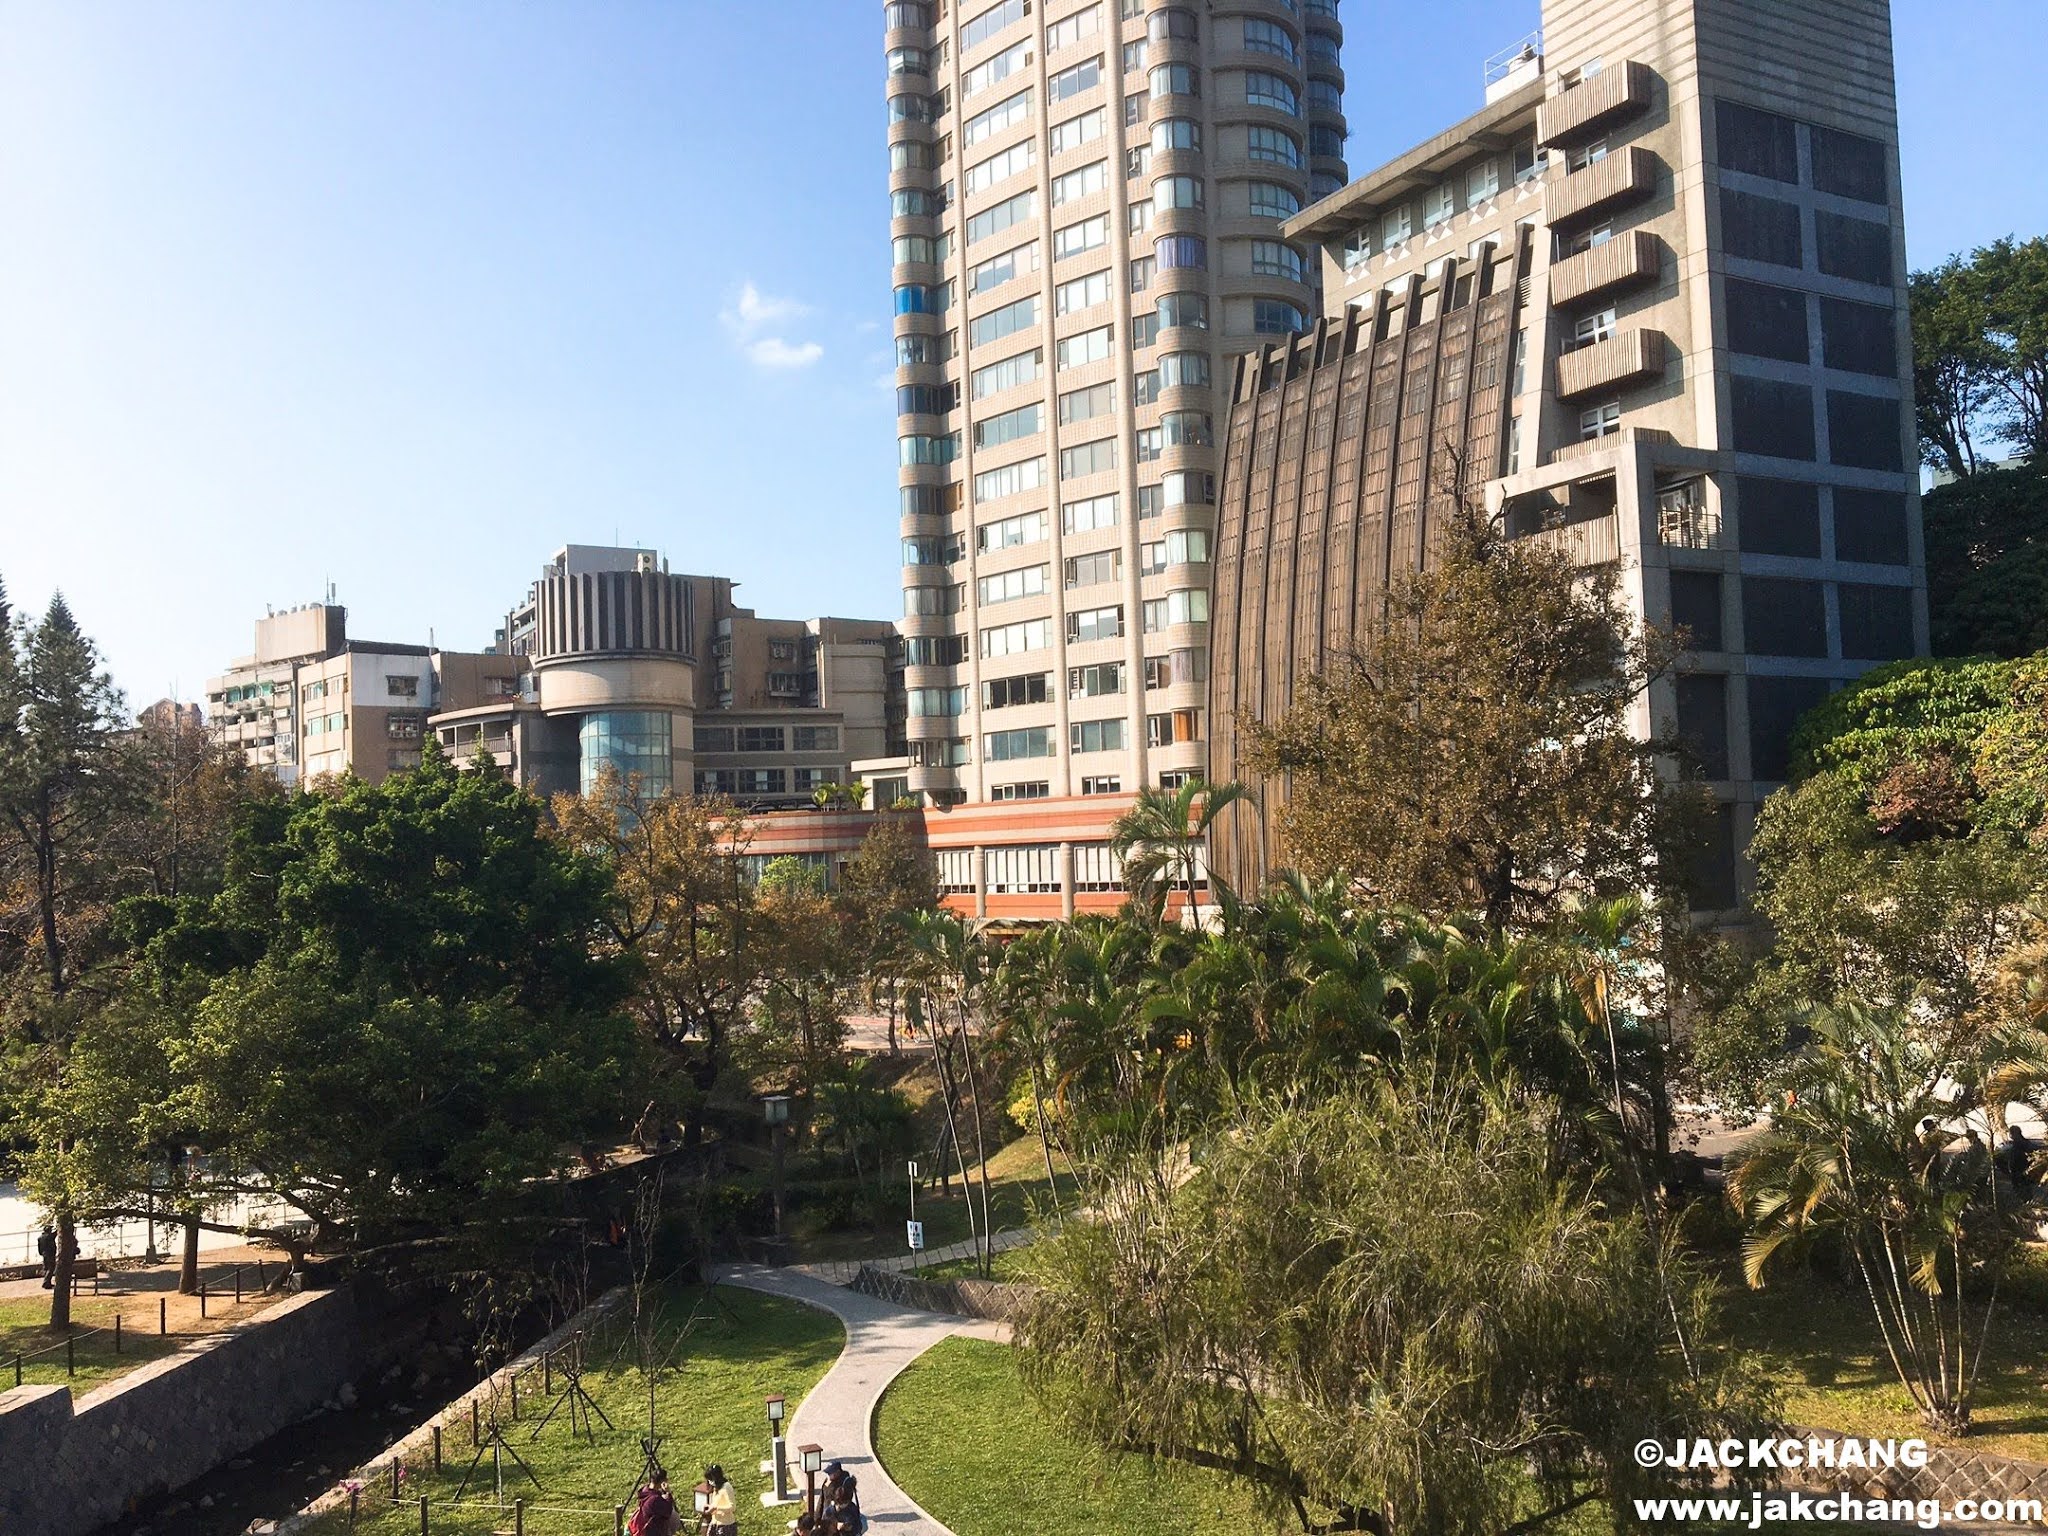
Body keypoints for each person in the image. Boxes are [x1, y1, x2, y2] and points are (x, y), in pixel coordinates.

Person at [700, 1464, 737, 1536]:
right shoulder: (716, 1488)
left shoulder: (726, 1487)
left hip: (726, 1525)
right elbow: (717, 1503)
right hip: (715, 1522)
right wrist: (710, 1507)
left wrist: (716, 1508)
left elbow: (732, 1507)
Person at [2006, 1125, 2037, 1199]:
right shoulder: (2026, 1143)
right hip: (2024, 1174)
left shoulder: (2018, 1145)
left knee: (2023, 1196)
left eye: (2011, 1133)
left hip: (2020, 1174)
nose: (2010, 1135)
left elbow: (2014, 1160)